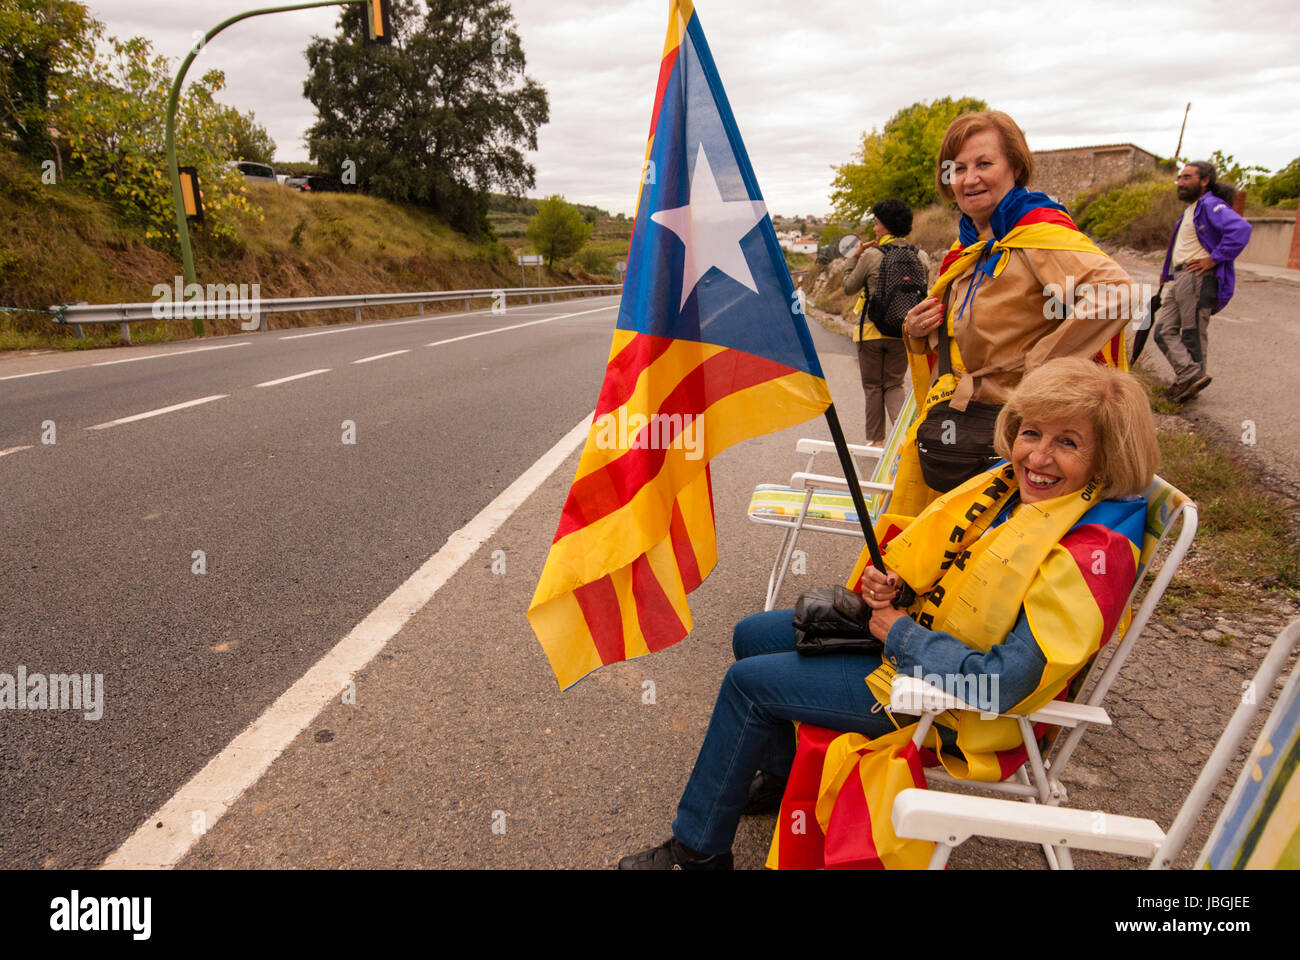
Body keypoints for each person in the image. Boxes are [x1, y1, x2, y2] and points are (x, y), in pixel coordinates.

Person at [617, 357, 1160, 868]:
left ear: (1107, 457)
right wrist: (900, 587)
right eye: (1031, 433)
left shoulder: (1092, 554)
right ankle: (782, 779)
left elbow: (1003, 685)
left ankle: (697, 853)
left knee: (748, 685)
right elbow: (966, 578)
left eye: (1068, 442)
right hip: (923, 645)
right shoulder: (1018, 494)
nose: (1037, 458)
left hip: (956, 707)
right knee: (752, 635)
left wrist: (900, 634)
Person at [888, 111, 1133, 517]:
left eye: (984, 164)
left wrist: (1042, 368)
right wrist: (916, 330)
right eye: (958, 168)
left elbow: (1117, 294)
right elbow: (969, 336)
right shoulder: (968, 246)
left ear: (1015, 167)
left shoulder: (1038, 236)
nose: (969, 179)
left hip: (1019, 440)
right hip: (960, 426)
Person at [1152, 161, 1252, 403]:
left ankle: (1189, 384)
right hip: (1180, 276)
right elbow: (1181, 246)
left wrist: (1214, 259)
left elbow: (1241, 229)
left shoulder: (1210, 204)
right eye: (1179, 178)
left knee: (1192, 332)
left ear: (1204, 181)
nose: (1181, 182)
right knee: (1163, 330)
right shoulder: (1191, 210)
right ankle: (1190, 376)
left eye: (1187, 177)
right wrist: (1167, 273)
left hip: (1197, 277)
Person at [842, 200, 931, 444]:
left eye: (876, 223)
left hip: (871, 331)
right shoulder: (920, 256)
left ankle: (876, 442)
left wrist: (853, 258)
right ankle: (905, 437)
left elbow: (848, 287)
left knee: (873, 386)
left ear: (885, 226)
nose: (874, 228)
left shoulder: (871, 255)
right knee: (894, 385)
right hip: (903, 331)